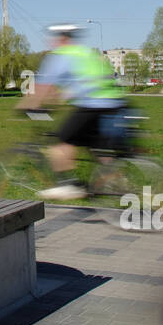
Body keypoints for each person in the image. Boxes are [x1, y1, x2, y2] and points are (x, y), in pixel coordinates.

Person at [20, 23, 127, 199]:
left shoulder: (61, 55)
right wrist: (58, 99)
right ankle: (113, 182)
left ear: (61, 38)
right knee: (95, 144)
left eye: (53, 39)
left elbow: (43, 86)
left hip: (92, 104)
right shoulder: (86, 53)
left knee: (63, 139)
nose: (51, 42)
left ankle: (66, 185)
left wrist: (28, 105)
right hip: (113, 102)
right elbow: (73, 84)